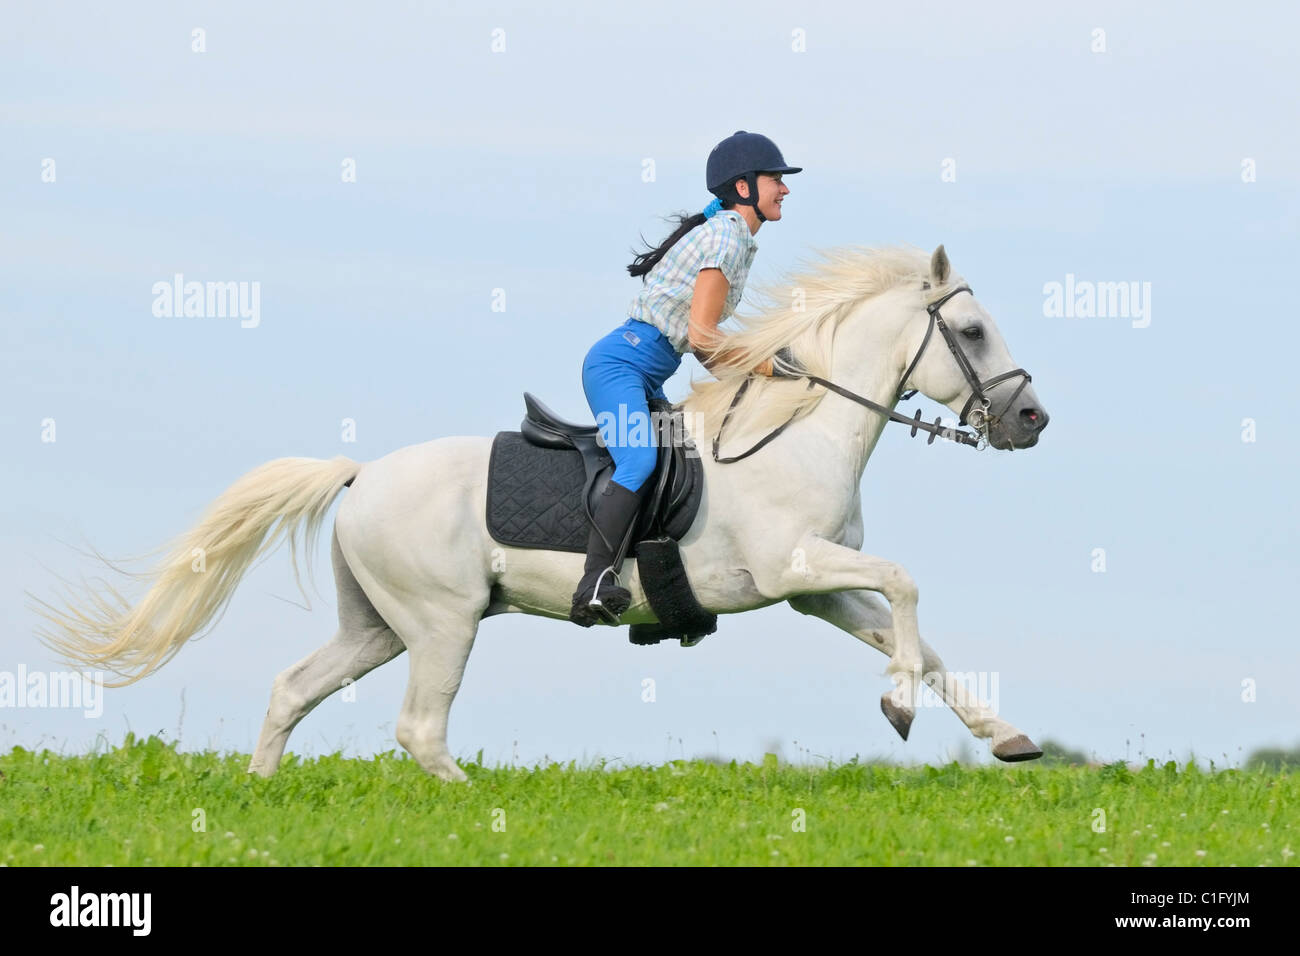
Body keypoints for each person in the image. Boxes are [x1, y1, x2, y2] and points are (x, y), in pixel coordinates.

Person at [569, 130, 802, 627]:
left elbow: (705, 347)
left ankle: (657, 601)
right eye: (775, 180)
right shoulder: (726, 237)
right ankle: (593, 583)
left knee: (683, 464)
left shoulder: (733, 238)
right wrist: (767, 365)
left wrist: (757, 380)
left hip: (648, 374)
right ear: (744, 187)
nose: (784, 189)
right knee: (638, 459)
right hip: (619, 366)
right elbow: (702, 336)